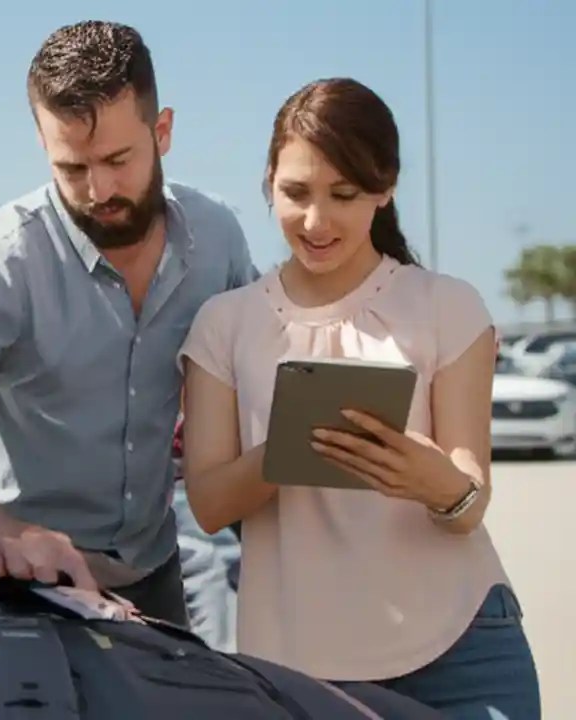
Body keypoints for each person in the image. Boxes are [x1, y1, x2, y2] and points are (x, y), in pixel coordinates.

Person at [0, 20, 258, 631]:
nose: (98, 190)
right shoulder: (3, 257)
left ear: (163, 133)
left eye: (117, 160)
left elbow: (264, 386)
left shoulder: (218, 238)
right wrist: (0, 531)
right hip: (27, 586)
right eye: (71, 168)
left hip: (157, 575)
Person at [177, 76, 540, 717]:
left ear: (385, 187)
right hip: (301, 673)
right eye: (294, 193)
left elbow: (468, 503)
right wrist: (290, 447)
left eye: (343, 195)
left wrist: (434, 482)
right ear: (268, 181)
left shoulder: (446, 306)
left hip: (463, 652)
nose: (315, 221)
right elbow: (207, 506)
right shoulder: (224, 324)